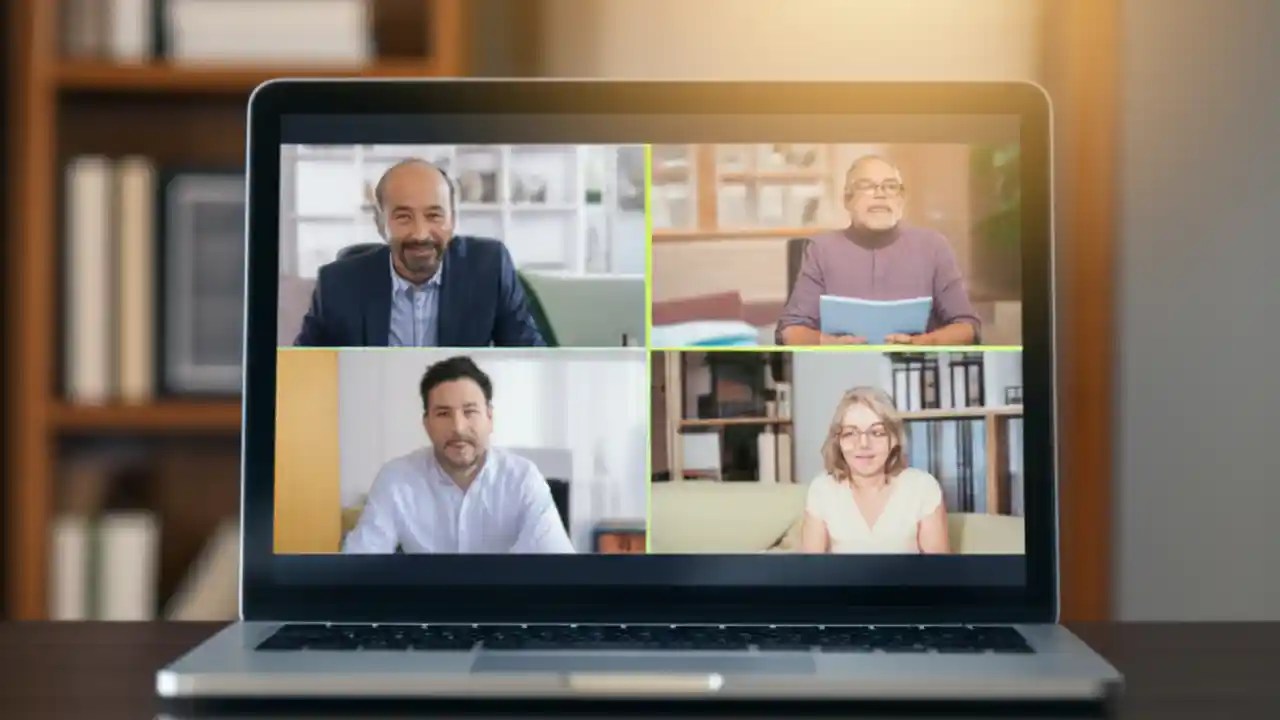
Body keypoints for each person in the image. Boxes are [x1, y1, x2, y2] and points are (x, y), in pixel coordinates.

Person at [294, 158, 544, 347]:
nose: (421, 234)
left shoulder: (489, 268)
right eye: (403, 217)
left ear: (453, 220)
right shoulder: (337, 284)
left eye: (434, 215)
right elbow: (302, 372)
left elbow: (529, 360)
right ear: (380, 224)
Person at [342, 356, 573, 554]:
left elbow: (559, 567)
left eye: (470, 412)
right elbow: (357, 565)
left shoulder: (522, 478)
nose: (459, 428)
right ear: (426, 424)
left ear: (490, 418)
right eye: (443, 414)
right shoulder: (396, 480)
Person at [777, 155, 981, 346]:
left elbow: (967, 327)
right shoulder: (821, 249)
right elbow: (790, 330)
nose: (880, 193)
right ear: (847, 200)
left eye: (890, 187)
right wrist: (828, 343)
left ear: (901, 199)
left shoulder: (933, 246)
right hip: (839, 364)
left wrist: (923, 343)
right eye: (867, 186)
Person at [800, 387, 951, 554]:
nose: (863, 444)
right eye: (850, 433)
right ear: (838, 441)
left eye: (877, 433)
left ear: (894, 438)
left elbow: (940, 574)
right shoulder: (822, 490)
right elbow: (811, 574)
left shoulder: (923, 488)